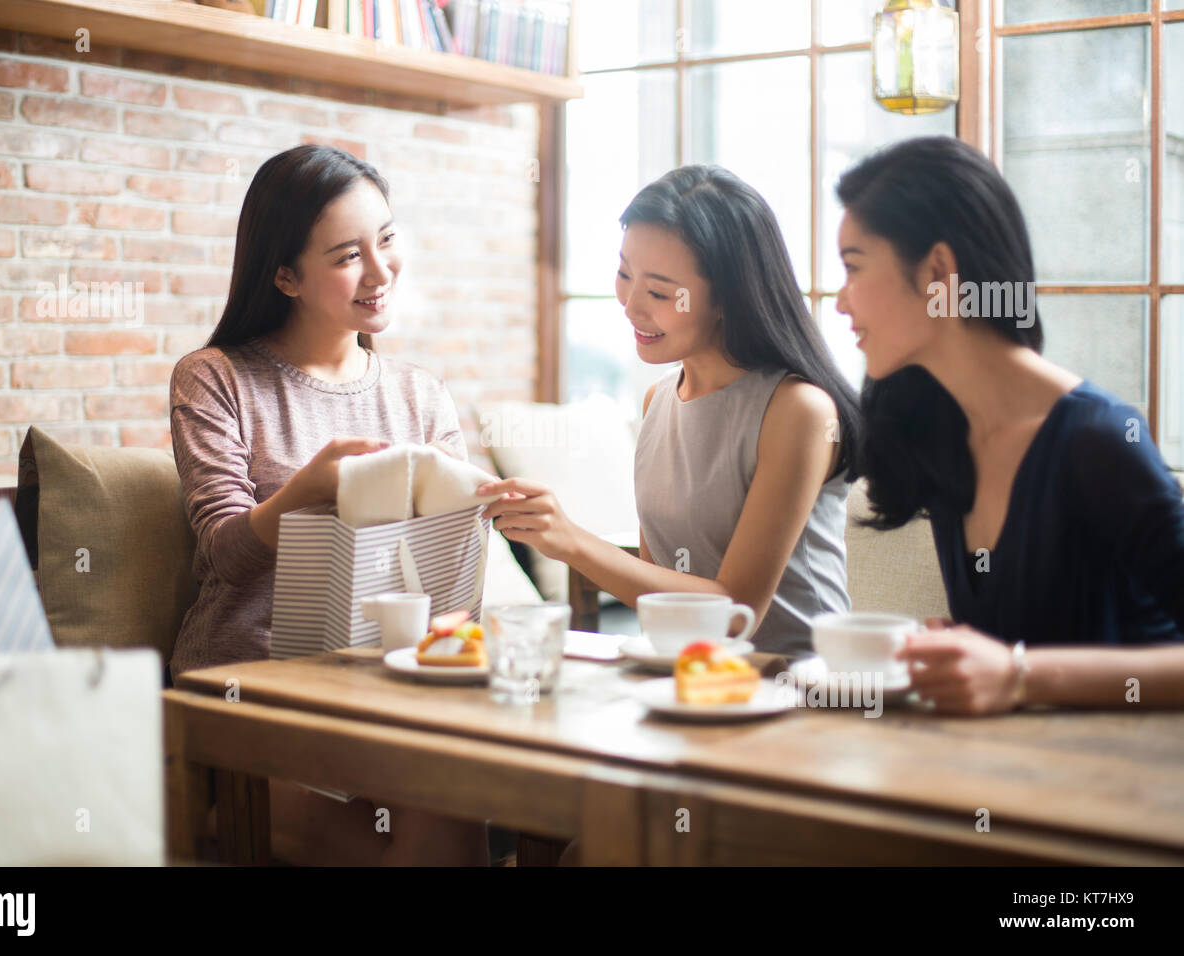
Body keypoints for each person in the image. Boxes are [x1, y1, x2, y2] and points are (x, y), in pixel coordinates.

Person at [168, 144, 486, 864]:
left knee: (458, 807)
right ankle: (220, 816)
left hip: (390, 690)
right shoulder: (215, 379)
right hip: (254, 694)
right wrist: (306, 490)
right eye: (348, 256)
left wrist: (488, 512)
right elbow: (221, 553)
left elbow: (452, 570)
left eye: (388, 240)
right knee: (415, 837)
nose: (381, 272)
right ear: (285, 275)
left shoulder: (419, 393)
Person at [833, 135, 1184, 715]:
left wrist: (1020, 673)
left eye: (853, 267)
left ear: (939, 271)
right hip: (1008, 778)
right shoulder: (940, 433)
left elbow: (1025, 667)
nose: (842, 301)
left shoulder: (1098, 437)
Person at [480, 165, 859, 656]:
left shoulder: (799, 410)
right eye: (623, 275)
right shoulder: (658, 400)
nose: (631, 305)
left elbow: (733, 612)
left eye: (658, 292)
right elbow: (658, 588)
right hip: (682, 680)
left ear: (728, 297)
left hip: (794, 690)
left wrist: (571, 540)